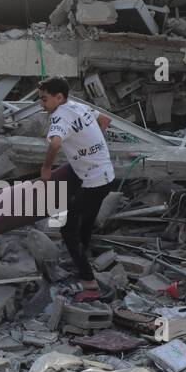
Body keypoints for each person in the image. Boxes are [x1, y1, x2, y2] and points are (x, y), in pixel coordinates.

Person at [38, 77, 115, 302]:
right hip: (106, 174)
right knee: (85, 221)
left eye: (44, 99)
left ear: (58, 97)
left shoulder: (60, 115)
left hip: (94, 181)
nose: (41, 104)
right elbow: (105, 120)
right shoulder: (78, 106)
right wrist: (92, 148)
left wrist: (46, 169)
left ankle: (90, 285)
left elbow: (54, 143)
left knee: (68, 228)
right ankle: (83, 263)